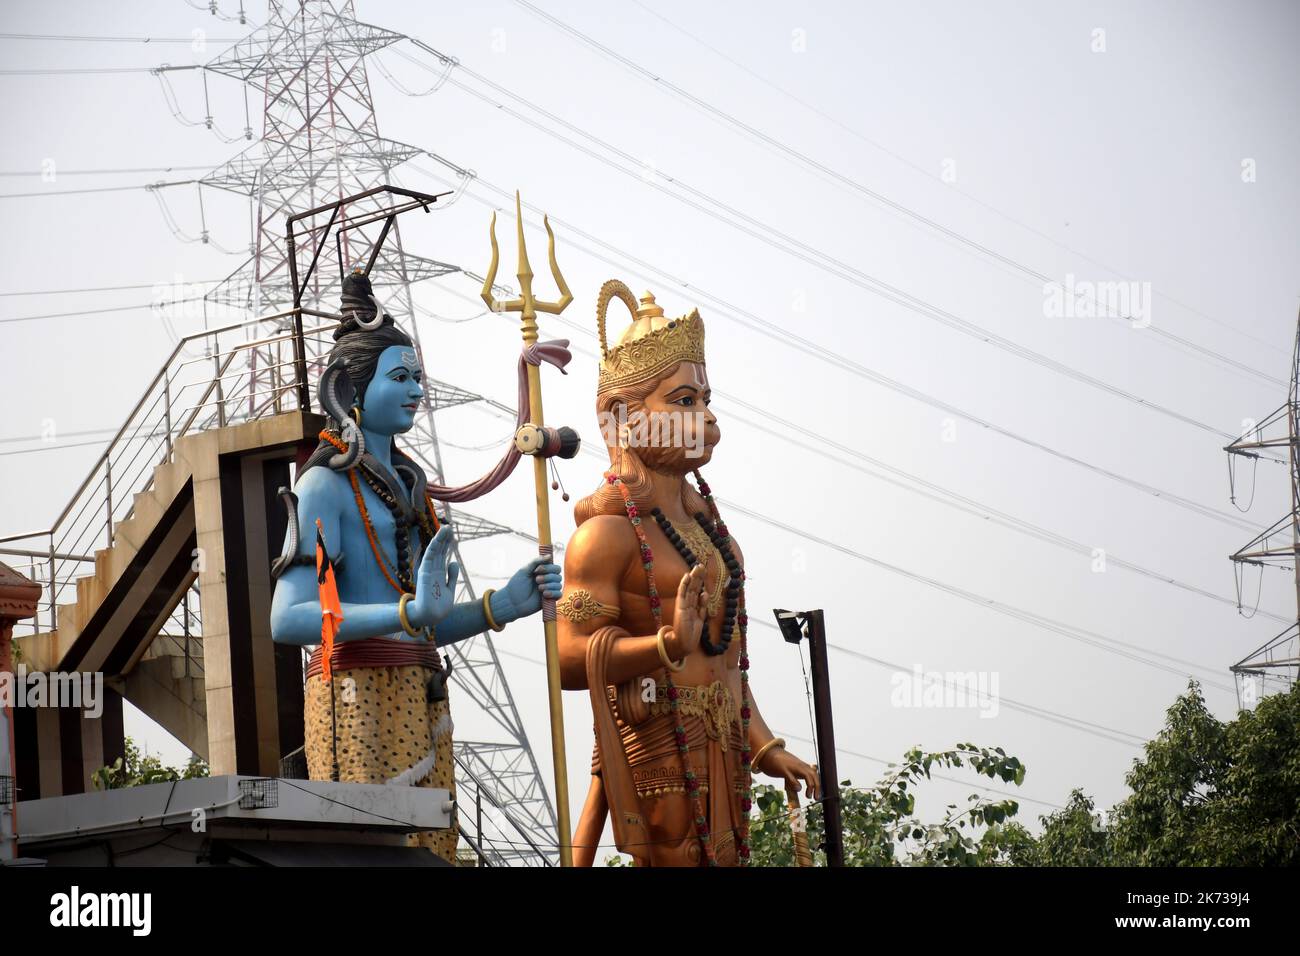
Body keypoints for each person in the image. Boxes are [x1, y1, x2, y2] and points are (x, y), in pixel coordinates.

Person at [270, 269, 561, 862]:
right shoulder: (324, 486)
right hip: (355, 696)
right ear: (347, 390)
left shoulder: (411, 490)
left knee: (434, 851)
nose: (416, 390)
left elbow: (423, 624)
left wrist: (500, 605)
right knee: (379, 853)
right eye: (400, 377)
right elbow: (293, 617)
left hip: (423, 696)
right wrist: (407, 610)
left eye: (419, 378)